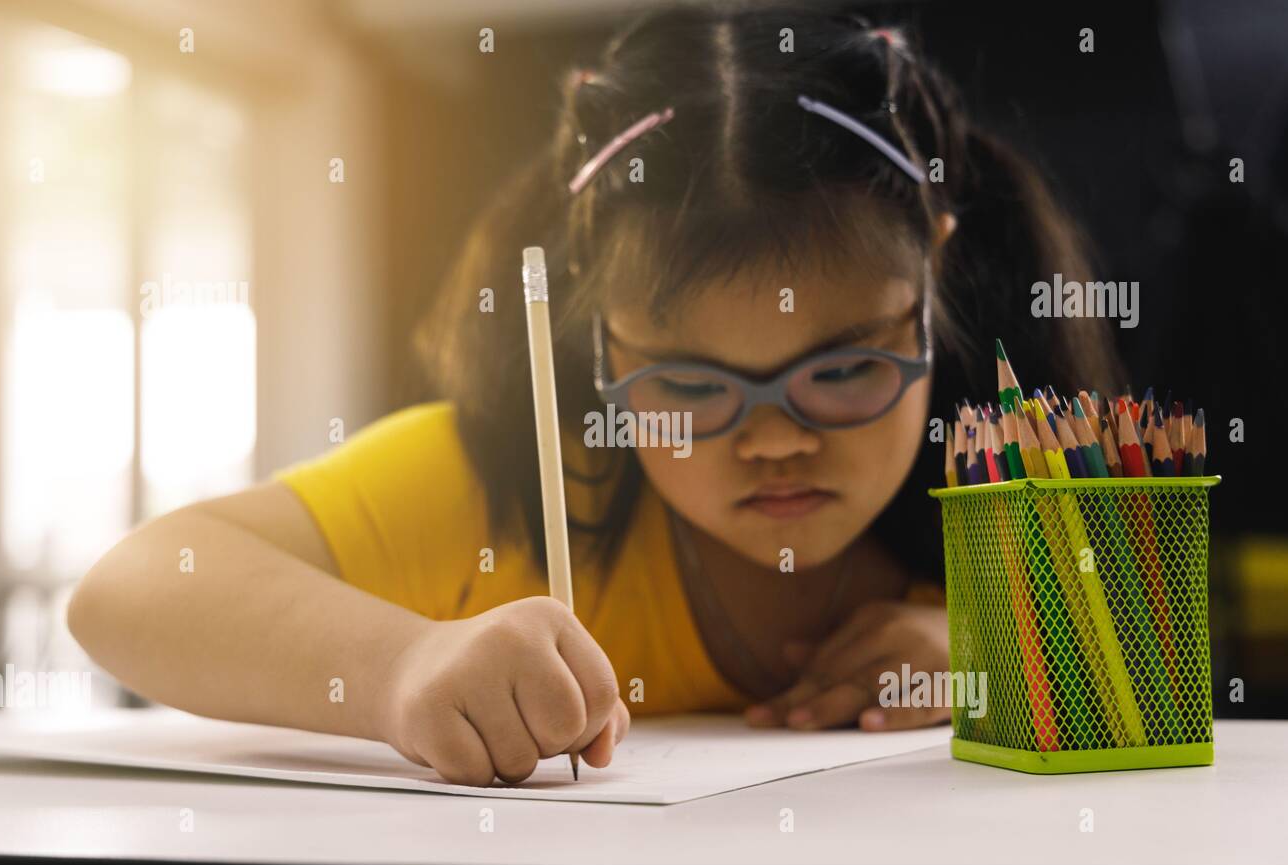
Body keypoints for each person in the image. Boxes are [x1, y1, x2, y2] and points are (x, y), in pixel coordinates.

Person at [68, 1, 1124, 786]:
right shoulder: (507, 483)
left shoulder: (1014, 488)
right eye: (685, 382)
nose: (770, 440)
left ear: (934, 269)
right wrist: (403, 664)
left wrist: (986, 650)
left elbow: (1151, 670)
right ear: (597, 334)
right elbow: (128, 589)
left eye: (842, 367)